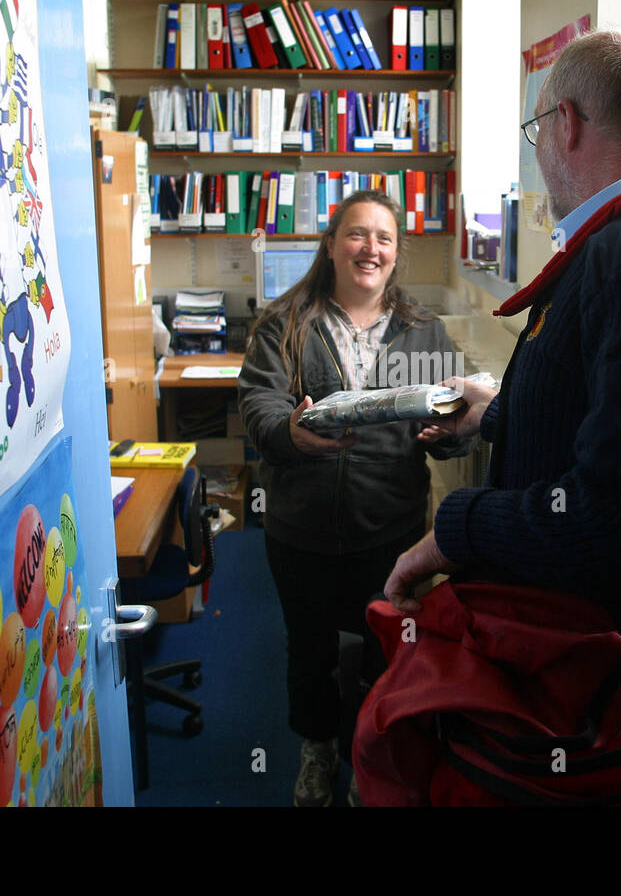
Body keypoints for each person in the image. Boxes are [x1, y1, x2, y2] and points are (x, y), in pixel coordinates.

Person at [383, 28, 621, 655]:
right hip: (569, 656)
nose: (540, 154)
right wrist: (495, 412)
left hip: (595, 685)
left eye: (537, 133)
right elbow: (603, 417)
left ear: (566, 123)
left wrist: (454, 531)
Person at [237, 189, 473, 807]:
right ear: (332, 244)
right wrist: (285, 431)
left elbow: (451, 430)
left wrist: (446, 434)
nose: (371, 248)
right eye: (357, 234)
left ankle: (374, 756)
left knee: (388, 649)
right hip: (300, 528)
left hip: (389, 529)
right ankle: (317, 750)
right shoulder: (284, 322)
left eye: (384, 238)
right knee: (308, 651)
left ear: (397, 254)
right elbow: (259, 401)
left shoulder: (425, 334)